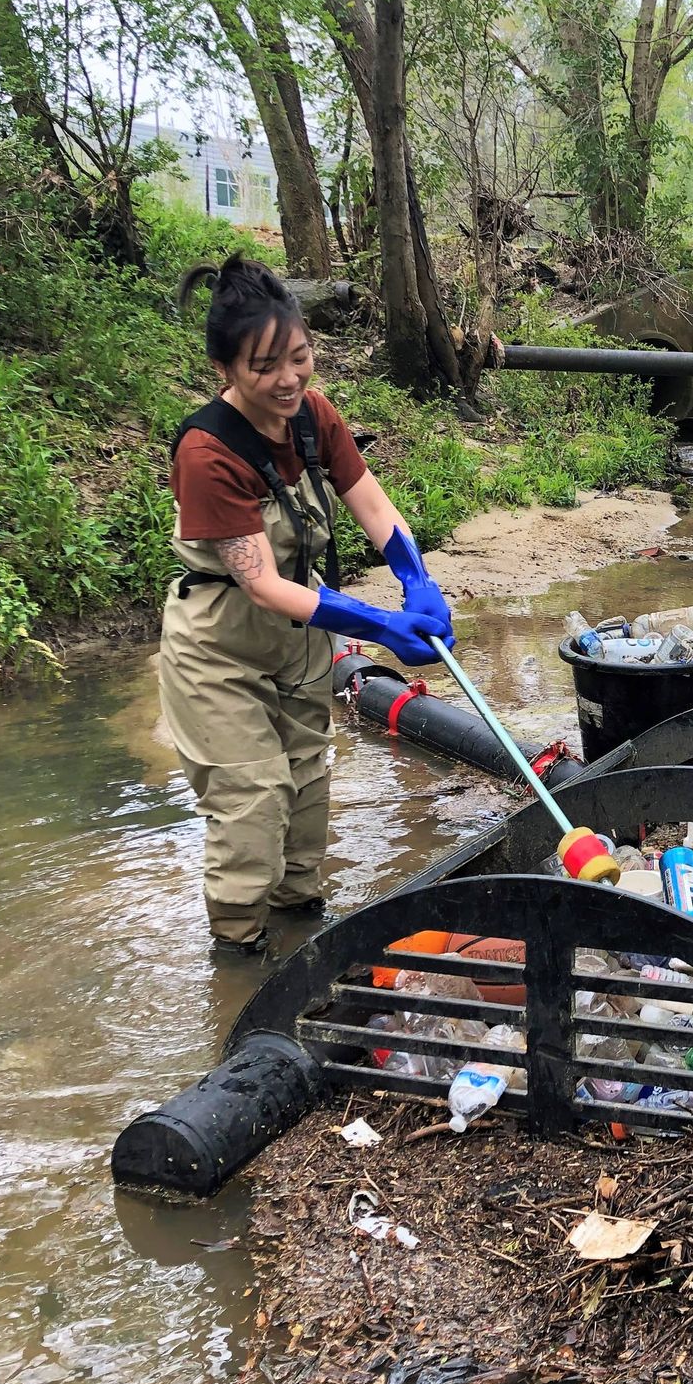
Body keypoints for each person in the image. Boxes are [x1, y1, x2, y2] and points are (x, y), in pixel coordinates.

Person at [162, 255, 456, 953]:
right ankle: (238, 961)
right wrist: (381, 623)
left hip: (299, 644)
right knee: (252, 804)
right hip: (219, 656)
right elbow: (261, 583)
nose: (289, 378)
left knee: (307, 795)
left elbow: (372, 503)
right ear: (225, 371)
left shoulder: (310, 416)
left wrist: (414, 578)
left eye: (300, 356)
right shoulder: (207, 452)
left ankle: (299, 934)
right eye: (266, 366)